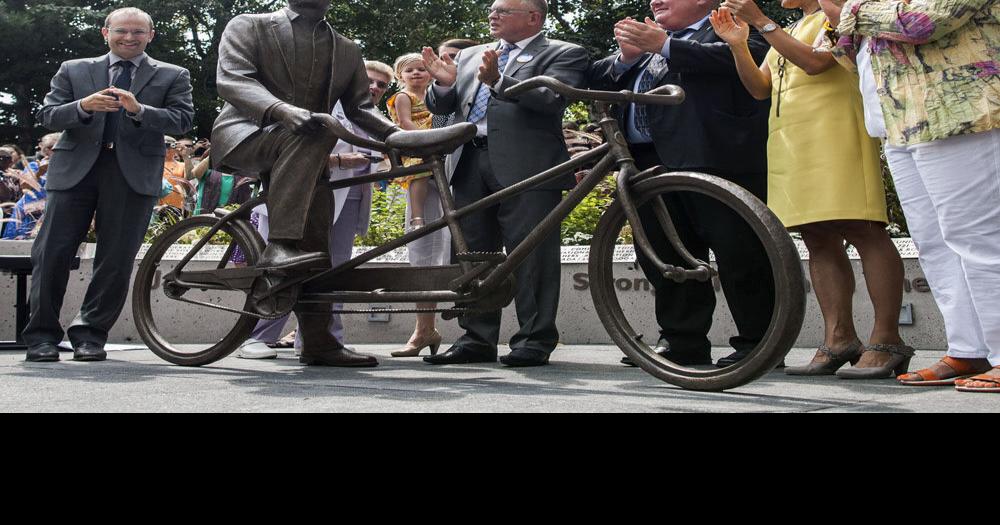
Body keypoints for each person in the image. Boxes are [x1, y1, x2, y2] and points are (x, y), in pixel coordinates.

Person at [711, 0, 912, 378]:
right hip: (793, 140)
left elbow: (818, 63)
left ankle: (887, 339)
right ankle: (839, 338)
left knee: (863, 228)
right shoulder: (790, 26)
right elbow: (760, 88)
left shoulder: (839, 12)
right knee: (816, 237)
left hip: (836, 130)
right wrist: (738, 44)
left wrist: (759, 20)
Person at [212, 0, 401, 367]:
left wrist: (398, 136)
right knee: (316, 132)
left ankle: (319, 342)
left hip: (309, 147)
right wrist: (282, 110)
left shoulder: (346, 48)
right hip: (249, 132)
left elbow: (361, 107)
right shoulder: (250, 25)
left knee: (317, 243)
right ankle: (280, 244)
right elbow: (233, 79)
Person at [588, 0, 774, 368]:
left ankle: (760, 342)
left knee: (739, 252)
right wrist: (626, 58)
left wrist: (666, 46)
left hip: (713, 157)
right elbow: (597, 81)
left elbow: (744, 59)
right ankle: (681, 341)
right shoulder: (651, 42)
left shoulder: (733, 27)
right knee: (663, 254)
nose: (656, 1)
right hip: (645, 164)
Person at [827, 0, 1000, 392]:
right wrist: (842, 25)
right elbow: (851, 57)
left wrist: (851, 8)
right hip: (901, 118)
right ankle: (968, 347)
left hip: (962, 109)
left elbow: (926, 21)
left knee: (979, 237)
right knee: (935, 243)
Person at [422, 0, 590, 367]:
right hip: (468, 161)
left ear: (533, 17)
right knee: (471, 254)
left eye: (503, 10)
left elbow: (552, 99)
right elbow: (441, 107)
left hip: (528, 167)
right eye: (492, 10)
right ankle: (476, 338)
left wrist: (499, 81)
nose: (492, 16)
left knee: (531, 255)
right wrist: (444, 83)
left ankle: (533, 339)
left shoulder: (566, 53)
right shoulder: (472, 55)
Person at [24, 6, 194, 362]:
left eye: (137, 32)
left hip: (132, 175)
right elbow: (47, 115)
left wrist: (140, 111)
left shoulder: (173, 74)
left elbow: (181, 121)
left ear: (151, 36)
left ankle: (90, 334)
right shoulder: (74, 69)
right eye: (121, 31)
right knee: (51, 252)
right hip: (75, 172)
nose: (129, 38)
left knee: (115, 259)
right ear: (106, 33)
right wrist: (82, 106)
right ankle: (41, 336)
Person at [236, 60, 395, 359]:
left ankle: (322, 339)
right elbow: (286, 151)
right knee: (287, 264)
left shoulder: (373, 118)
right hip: (301, 196)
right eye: (368, 81)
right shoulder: (317, 107)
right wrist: (337, 162)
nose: (373, 88)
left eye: (381, 85)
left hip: (349, 199)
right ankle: (257, 336)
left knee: (335, 270)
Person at [386, 53, 452, 357]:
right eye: (409, 70)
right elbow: (404, 125)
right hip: (425, 162)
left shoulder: (449, 97)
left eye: (421, 69)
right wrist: (434, 139)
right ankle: (424, 328)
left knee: (446, 253)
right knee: (424, 250)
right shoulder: (404, 98)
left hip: (452, 172)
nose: (416, 74)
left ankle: (429, 329)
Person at [431, 38, 480, 129]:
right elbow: (438, 126)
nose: (447, 61)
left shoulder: (488, 84)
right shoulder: (438, 89)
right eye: (442, 58)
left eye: (454, 56)